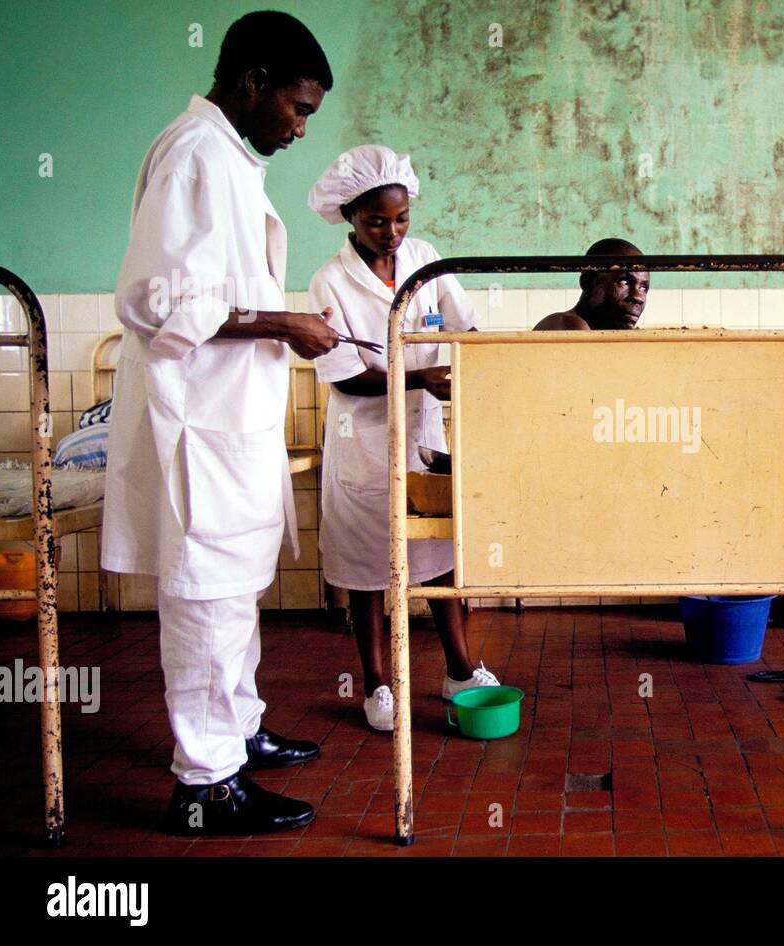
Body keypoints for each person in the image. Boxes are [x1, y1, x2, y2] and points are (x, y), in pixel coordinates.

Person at [102, 11, 338, 836]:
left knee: (236, 590)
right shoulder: (196, 153)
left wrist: (280, 321)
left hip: (227, 417)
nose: (301, 127)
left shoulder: (230, 157)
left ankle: (238, 729)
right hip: (198, 424)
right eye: (298, 108)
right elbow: (150, 300)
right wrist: (283, 323)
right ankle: (206, 782)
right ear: (252, 84)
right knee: (206, 595)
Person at [536, 239, 784, 522]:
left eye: (644, 286)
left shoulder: (615, 339)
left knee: (754, 426)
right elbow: (594, 417)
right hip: (591, 464)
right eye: (624, 281)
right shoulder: (566, 325)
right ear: (588, 281)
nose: (637, 296)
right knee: (732, 445)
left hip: (623, 452)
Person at [307, 145, 500, 733]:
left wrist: (471, 368)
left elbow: (465, 326)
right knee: (368, 574)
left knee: (439, 557)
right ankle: (377, 682)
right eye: (376, 221)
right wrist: (421, 375)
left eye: (400, 218)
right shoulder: (329, 282)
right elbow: (346, 375)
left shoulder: (425, 260)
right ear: (350, 217)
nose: (391, 232)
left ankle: (460, 671)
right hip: (361, 440)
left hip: (421, 433)